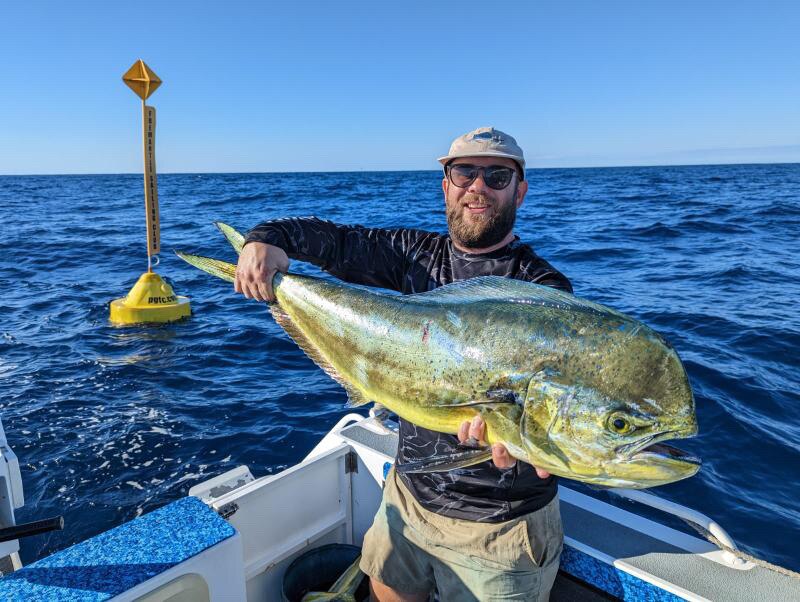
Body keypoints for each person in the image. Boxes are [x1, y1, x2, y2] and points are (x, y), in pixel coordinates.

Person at [235, 127, 572, 601]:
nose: (478, 186)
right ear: (446, 184)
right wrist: (266, 240)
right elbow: (335, 242)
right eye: (464, 172)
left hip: (499, 532)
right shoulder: (417, 255)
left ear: (520, 190)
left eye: (496, 176)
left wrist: (528, 441)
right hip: (407, 498)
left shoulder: (544, 292)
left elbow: (548, 405)